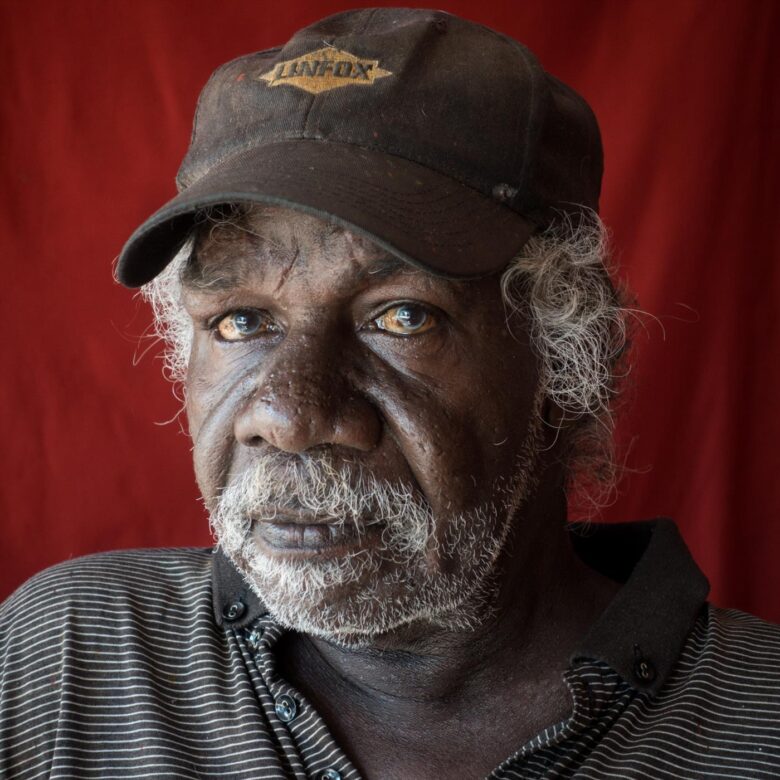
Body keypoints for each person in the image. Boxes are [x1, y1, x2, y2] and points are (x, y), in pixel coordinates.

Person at [1, 8, 778, 779]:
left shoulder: (759, 723)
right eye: (241, 320)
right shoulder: (65, 657)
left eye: (402, 317)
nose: (293, 418)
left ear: (568, 362)